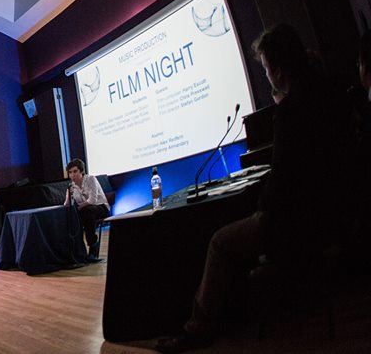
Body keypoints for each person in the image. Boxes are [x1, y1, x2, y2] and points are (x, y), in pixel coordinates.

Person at [156, 24, 351, 353]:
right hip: (337, 214)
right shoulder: (330, 91)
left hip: (298, 223)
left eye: (263, 68)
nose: (265, 75)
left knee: (219, 241)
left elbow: (285, 179)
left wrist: (262, 208)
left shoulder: (292, 110)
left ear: (276, 68)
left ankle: (198, 328)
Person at [62, 159, 110, 259]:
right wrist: (69, 196)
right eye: (70, 172)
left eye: (75, 171)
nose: (72, 175)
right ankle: (76, 251)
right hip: (84, 212)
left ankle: (93, 245)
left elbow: (92, 200)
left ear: (82, 171)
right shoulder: (71, 186)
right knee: (73, 216)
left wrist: (78, 208)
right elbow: (67, 204)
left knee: (86, 211)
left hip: (101, 208)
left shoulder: (91, 179)